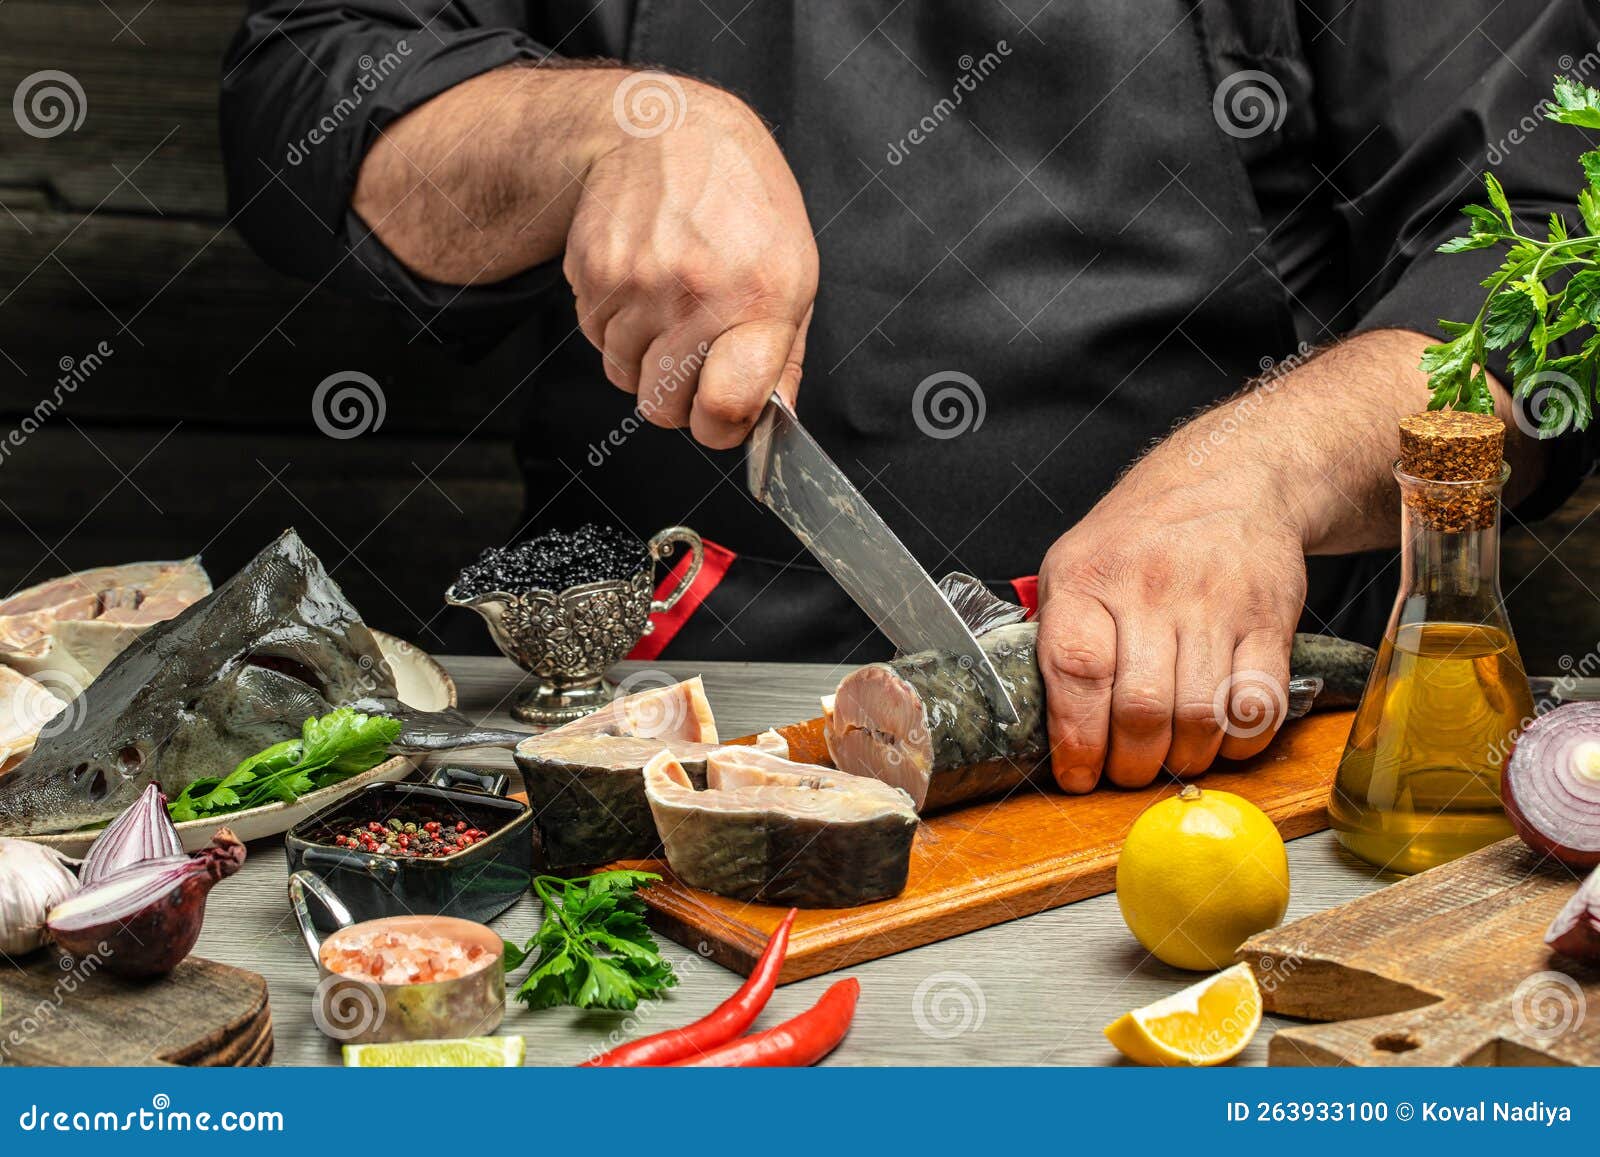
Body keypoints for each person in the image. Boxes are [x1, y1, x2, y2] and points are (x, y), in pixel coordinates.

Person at [221, 1, 1594, 792]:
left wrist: (1255, 479)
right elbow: (306, 93)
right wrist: (607, 129)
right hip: (662, 748)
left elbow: (1553, 280)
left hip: (1238, 749)